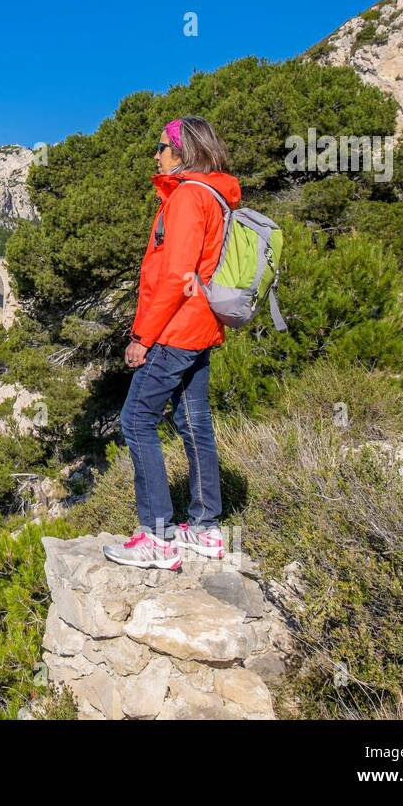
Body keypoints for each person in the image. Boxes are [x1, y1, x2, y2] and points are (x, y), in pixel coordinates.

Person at [103, 116, 238, 570]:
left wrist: (143, 336)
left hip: (175, 329)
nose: (155, 155)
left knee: (137, 420)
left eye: (161, 147)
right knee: (193, 421)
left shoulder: (185, 198)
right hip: (201, 327)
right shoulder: (214, 196)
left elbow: (175, 276)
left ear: (182, 151)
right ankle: (205, 528)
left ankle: (156, 535)